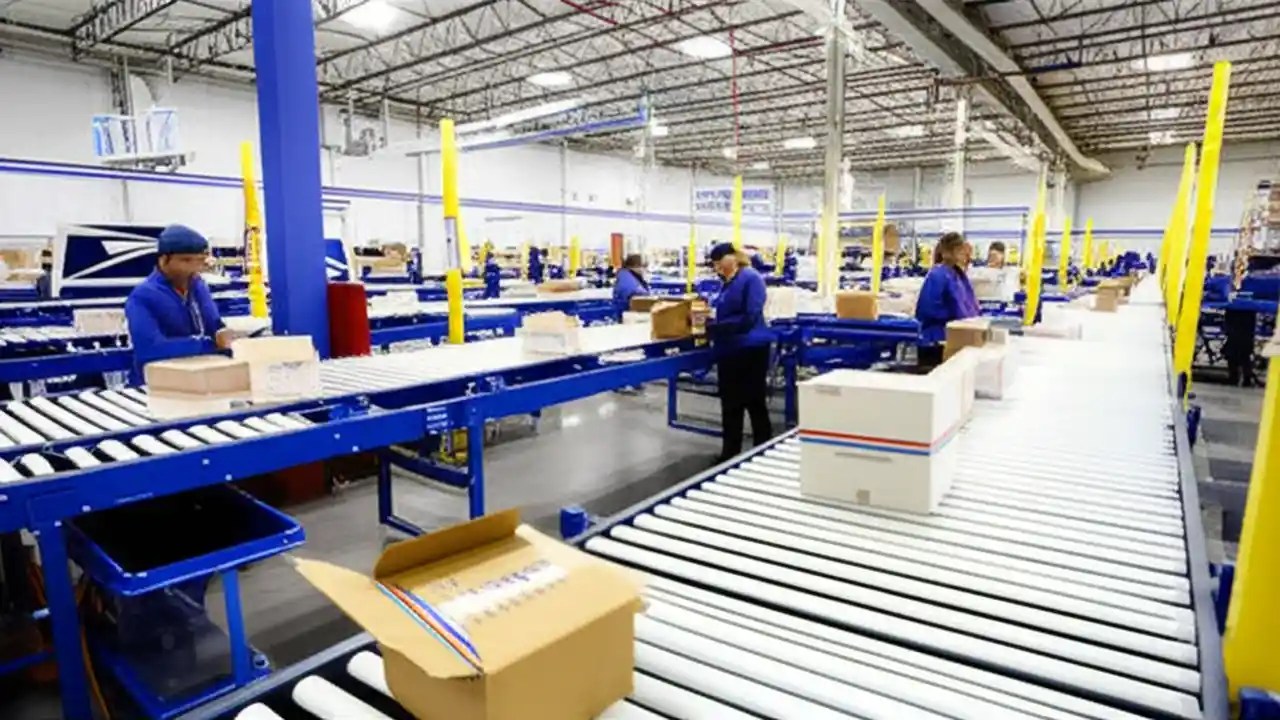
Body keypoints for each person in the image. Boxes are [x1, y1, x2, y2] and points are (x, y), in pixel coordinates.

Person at [125, 224, 233, 381]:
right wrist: (207, 344)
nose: (193, 268)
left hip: (197, 379)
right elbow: (149, 350)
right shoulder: (143, 297)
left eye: (200, 261)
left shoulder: (198, 287)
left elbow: (214, 326)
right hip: (155, 386)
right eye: (186, 260)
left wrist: (225, 335)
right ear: (163, 260)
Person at [707, 242, 773, 461]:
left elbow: (751, 315)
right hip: (729, 349)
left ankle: (762, 450)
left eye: (719, 262)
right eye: (714, 264)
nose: (717, 268)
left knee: (754, 401)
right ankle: (730, 452)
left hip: (751, 348)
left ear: (732, 258)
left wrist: (719, 328)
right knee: (730, 403)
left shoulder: (751, 278)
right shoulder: (727, 281)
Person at [914, 232, 980, 369]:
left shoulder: (957, 275)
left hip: (954, 337)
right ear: (949, 252)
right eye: (961, 252)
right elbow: (926, 310)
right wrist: (953, 317)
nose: (966, 257)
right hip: (936, 341)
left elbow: (969, 306)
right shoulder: (938, 274)